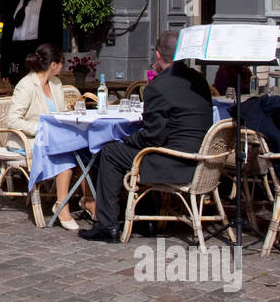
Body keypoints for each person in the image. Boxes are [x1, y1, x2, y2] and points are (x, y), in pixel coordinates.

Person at [84, 30, 213, 242]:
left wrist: (128, 139)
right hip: (203, 160)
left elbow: (153, 137)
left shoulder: (159, 86)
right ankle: (145, 221)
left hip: (176, 163)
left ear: (158, 55)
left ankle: (107, 226)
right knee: (135, 154)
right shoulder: (199, 80)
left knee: (110, 152)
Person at [7, 43, 96, 231]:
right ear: (53, 65)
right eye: (61, 63)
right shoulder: (26, 85)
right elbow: (13, 120)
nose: (63, 67)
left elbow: (60, 114)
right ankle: (61, 205)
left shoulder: (56, 84)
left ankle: (88, 199)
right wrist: (41, 128)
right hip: (30, 139)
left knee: (87, 150)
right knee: (66, 154)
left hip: (55, 137)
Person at [0, 0, 65, 85]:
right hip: (16, 57)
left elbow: (57, 35)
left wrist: (55, 63)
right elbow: (6, 36)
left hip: (39, 56)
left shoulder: (51, 2)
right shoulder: (15, 0)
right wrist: (4, 70)